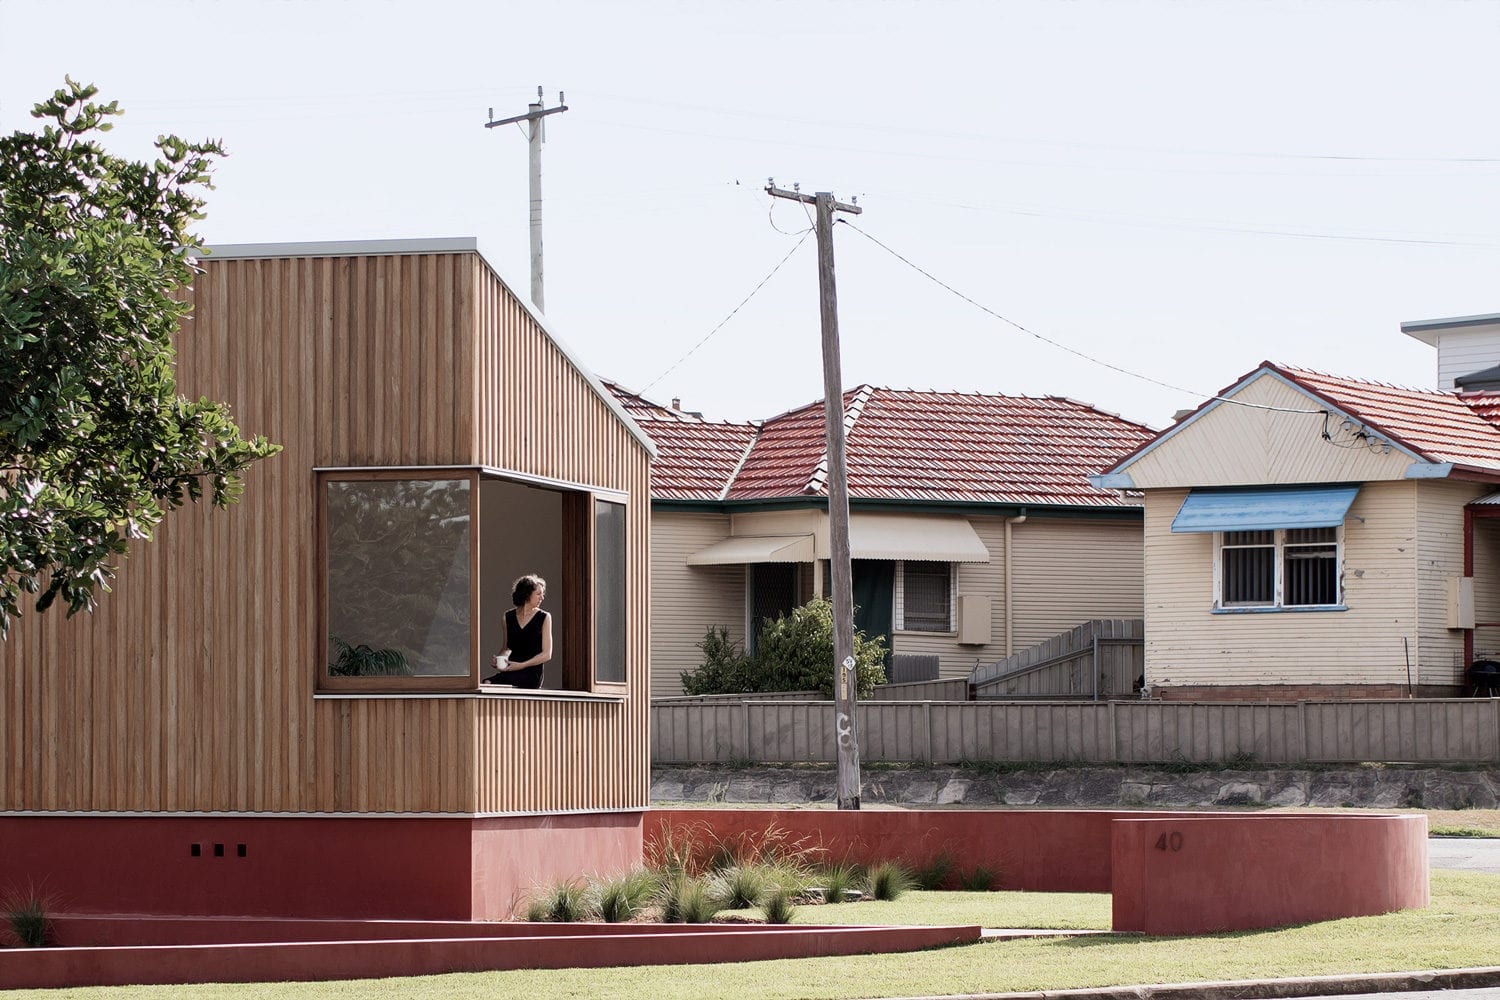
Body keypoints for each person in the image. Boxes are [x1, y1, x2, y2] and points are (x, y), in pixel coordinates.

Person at [486, 574, 552, 689]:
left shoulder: (544, 617)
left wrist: (522, 665)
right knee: (487, 682)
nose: (542, 598)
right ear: (527, 594)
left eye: (542, 594)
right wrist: (499, 660)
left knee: (492, 684)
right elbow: (506, 648)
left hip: (531, 674)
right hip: (512, 670)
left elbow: (547, 654)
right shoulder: (507, 617)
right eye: (538, 594)